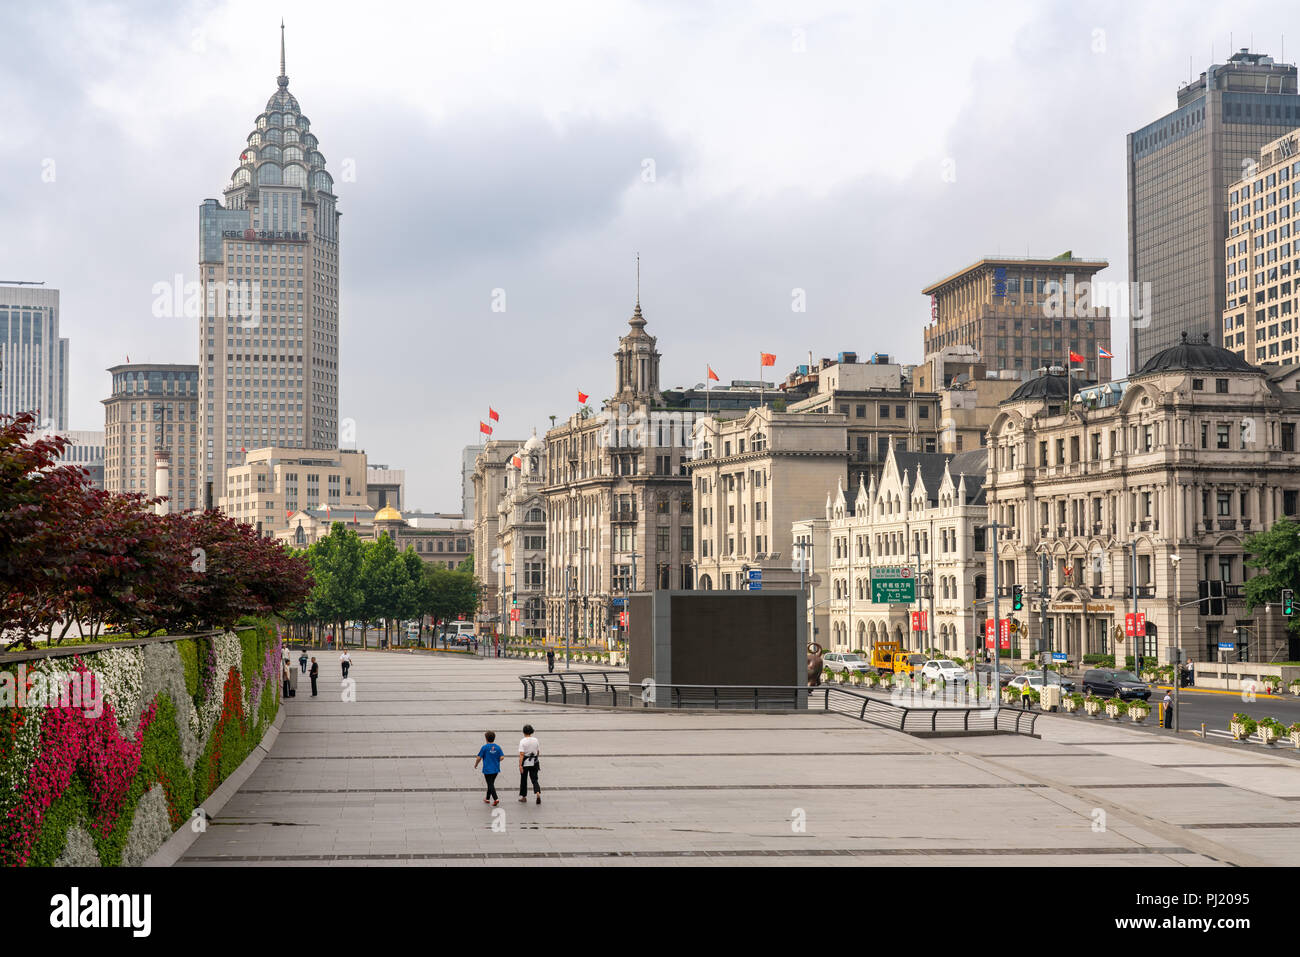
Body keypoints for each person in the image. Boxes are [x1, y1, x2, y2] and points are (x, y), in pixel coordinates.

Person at [475, 731, 504, 806]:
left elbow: (479, 758)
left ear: (486, 738)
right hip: (496, 769)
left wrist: (476, 764)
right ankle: (487, 798)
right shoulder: (498, 747)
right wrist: (496, 760)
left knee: (490, 784)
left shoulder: (484, 747)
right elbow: (502, 757)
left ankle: (496, 798)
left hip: (487, 769)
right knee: (491, 783)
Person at [518, 724, 541, 804]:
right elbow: (538, 752)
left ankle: (524, 797)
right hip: (534, 760)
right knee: (534, 779)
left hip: (525, 761)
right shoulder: (536, 740)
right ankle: (537, 792)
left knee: (524, 779)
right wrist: (536, 759)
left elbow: (521, 754)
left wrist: (520, 765)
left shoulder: (522, 741)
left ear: (524, 732)